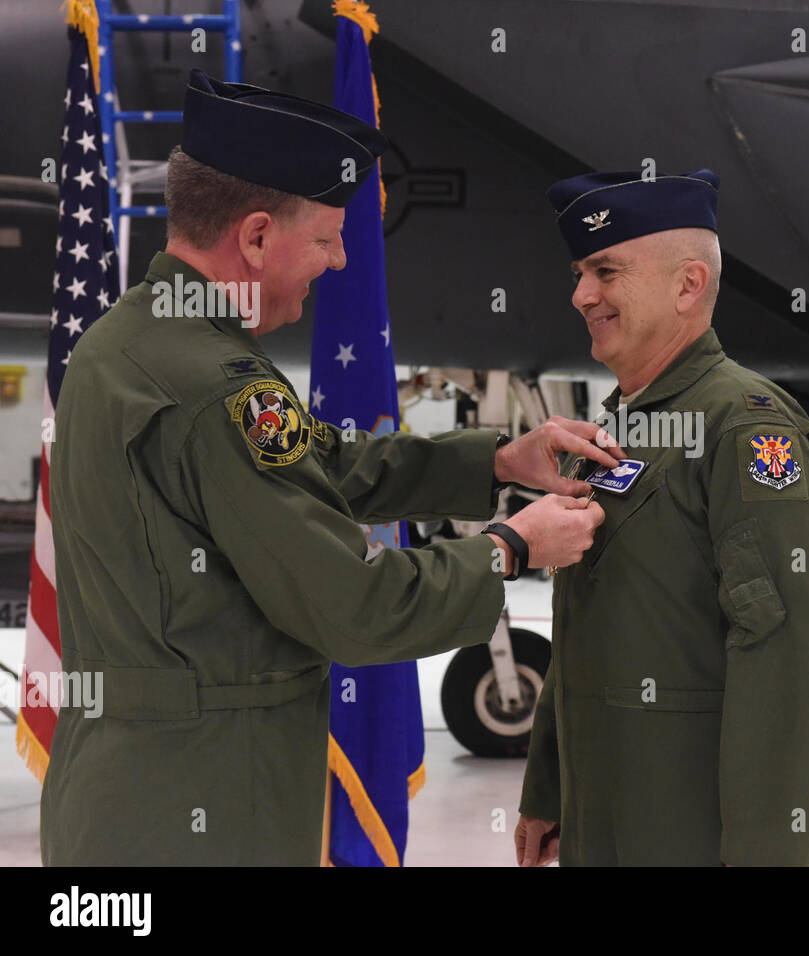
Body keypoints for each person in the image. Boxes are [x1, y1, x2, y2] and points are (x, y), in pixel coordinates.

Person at [40, 70, 614, 865]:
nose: (342, 261)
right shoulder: (217, 387)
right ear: (255, 236)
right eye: (327, 237)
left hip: (123, 797)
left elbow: (314, 466)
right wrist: (511, 549)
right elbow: (354, 605)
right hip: (205, 804)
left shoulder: (127, 342)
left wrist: (500, 460)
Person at [515, 169, 809, 867]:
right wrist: (548, 790)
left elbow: (793, 653)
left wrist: (768, 851)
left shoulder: (747, 428)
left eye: (605, 270)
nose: (581, 294)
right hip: (604, 820)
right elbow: (582, 628)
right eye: (580, 272)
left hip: (696, 835)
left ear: (687, 285)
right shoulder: (620, 428)